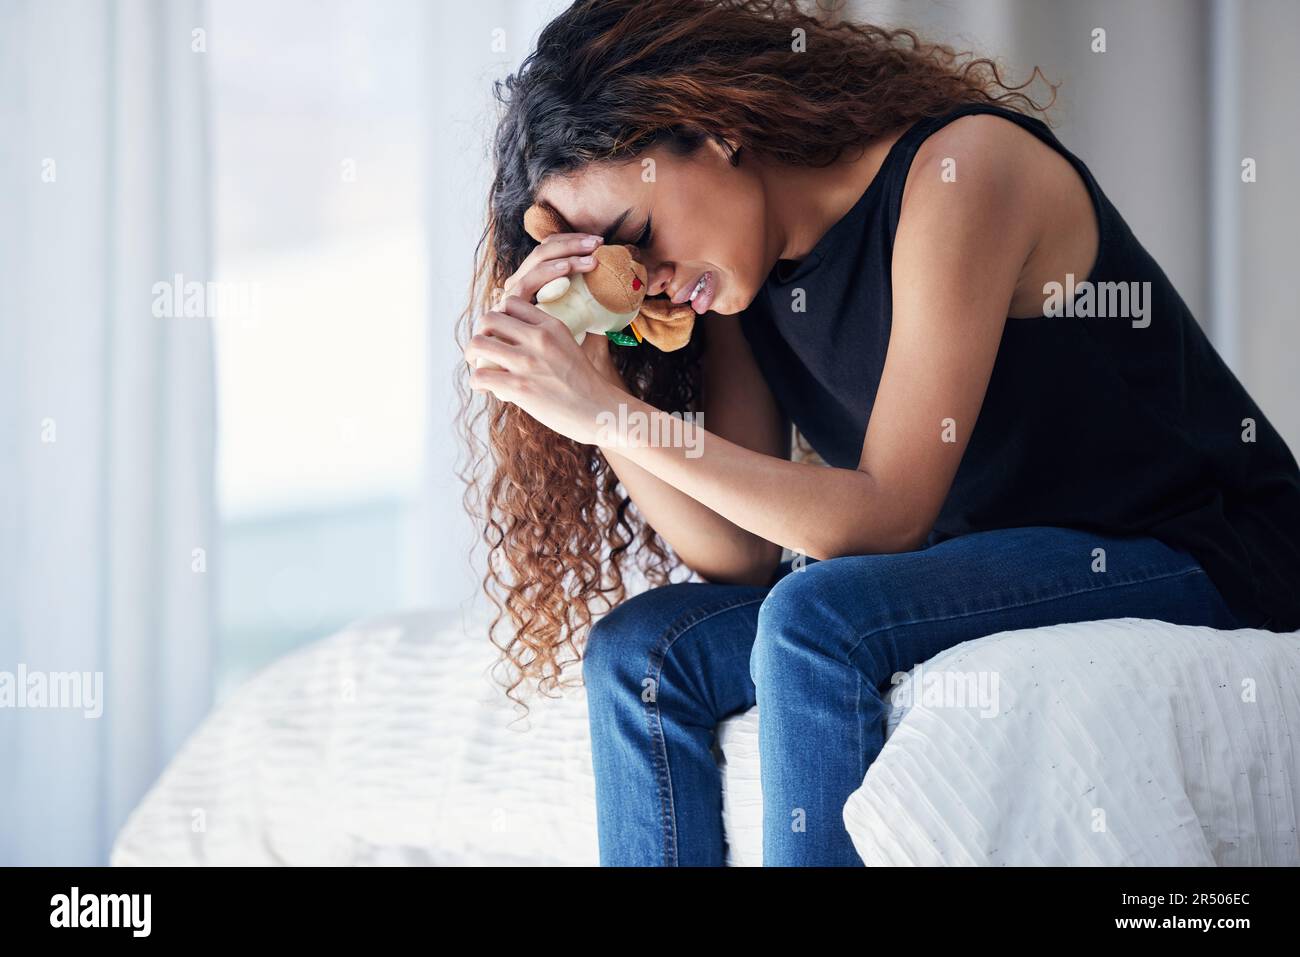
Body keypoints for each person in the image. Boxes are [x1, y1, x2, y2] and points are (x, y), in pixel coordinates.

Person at [456, 0, 1300, 866]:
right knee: (642, 650)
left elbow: (887, 514)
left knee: (818, 615)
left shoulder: (962, 172)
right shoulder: (732, 280)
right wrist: (593, 385)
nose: (651, 280)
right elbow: (740, 554)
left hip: (1201, 545)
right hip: (990, 558)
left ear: (712, 130)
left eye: (636, 234)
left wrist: (609, 413)